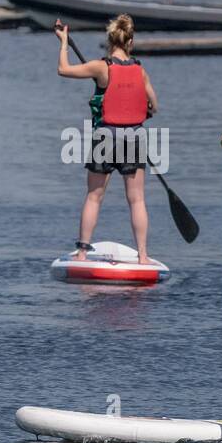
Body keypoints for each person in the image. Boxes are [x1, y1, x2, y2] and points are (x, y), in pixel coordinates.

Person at [55, 13, 159, 264]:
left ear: (109, 41)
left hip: (105, 136)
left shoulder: (101, 67)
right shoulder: (140, 70)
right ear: (130, 43)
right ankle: (143, 256)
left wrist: (63, 42)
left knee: (94, 196)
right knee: (137, 199)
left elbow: (63, 70)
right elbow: (154, 107)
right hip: (134, 136)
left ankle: (81, 252)